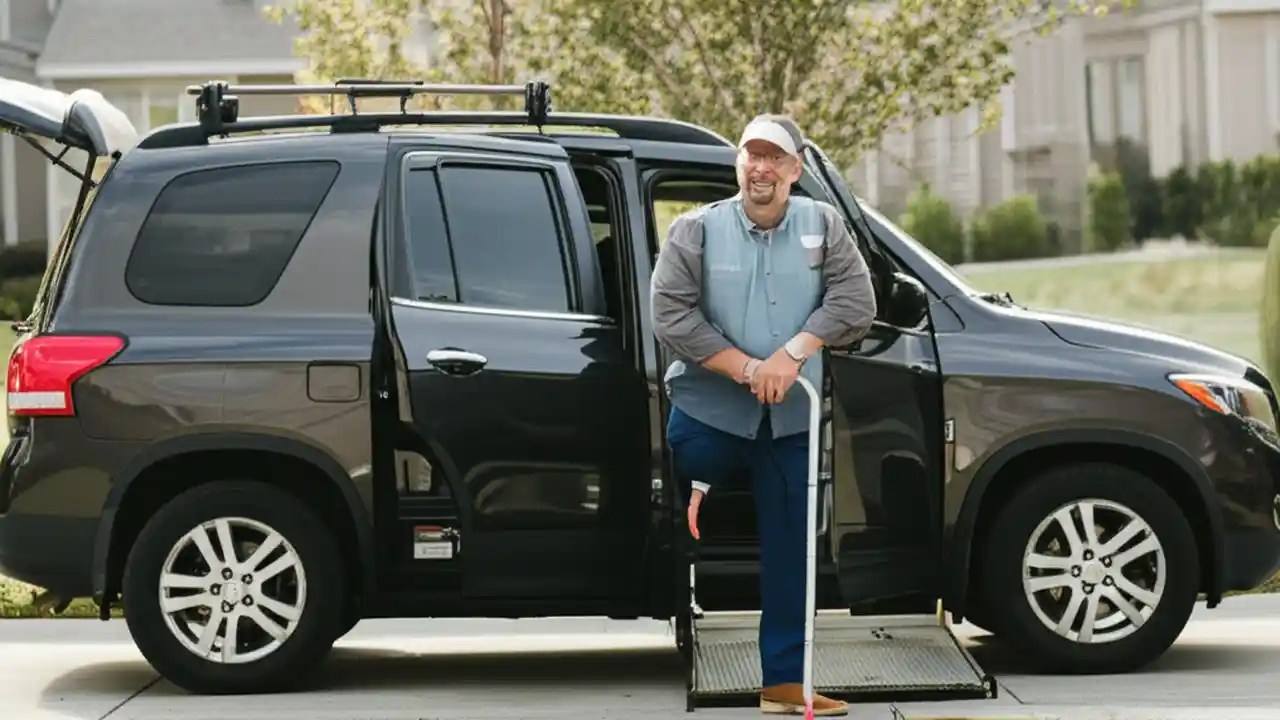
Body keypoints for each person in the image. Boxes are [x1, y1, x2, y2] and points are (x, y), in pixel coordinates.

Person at [650, 114, 877, 716]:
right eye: (751, 155)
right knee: (685, 492)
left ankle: (783, 684)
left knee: (793, 552)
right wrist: (749, 370)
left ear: (795, 171)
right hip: (708, 414)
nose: (761, 167)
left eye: (774, 158)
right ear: (737, 167)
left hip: (790, 422)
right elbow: (670, 317)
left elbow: (857, 302)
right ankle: (696, 506)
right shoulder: (694, 231)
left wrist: (792, 354)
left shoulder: (822, 225)